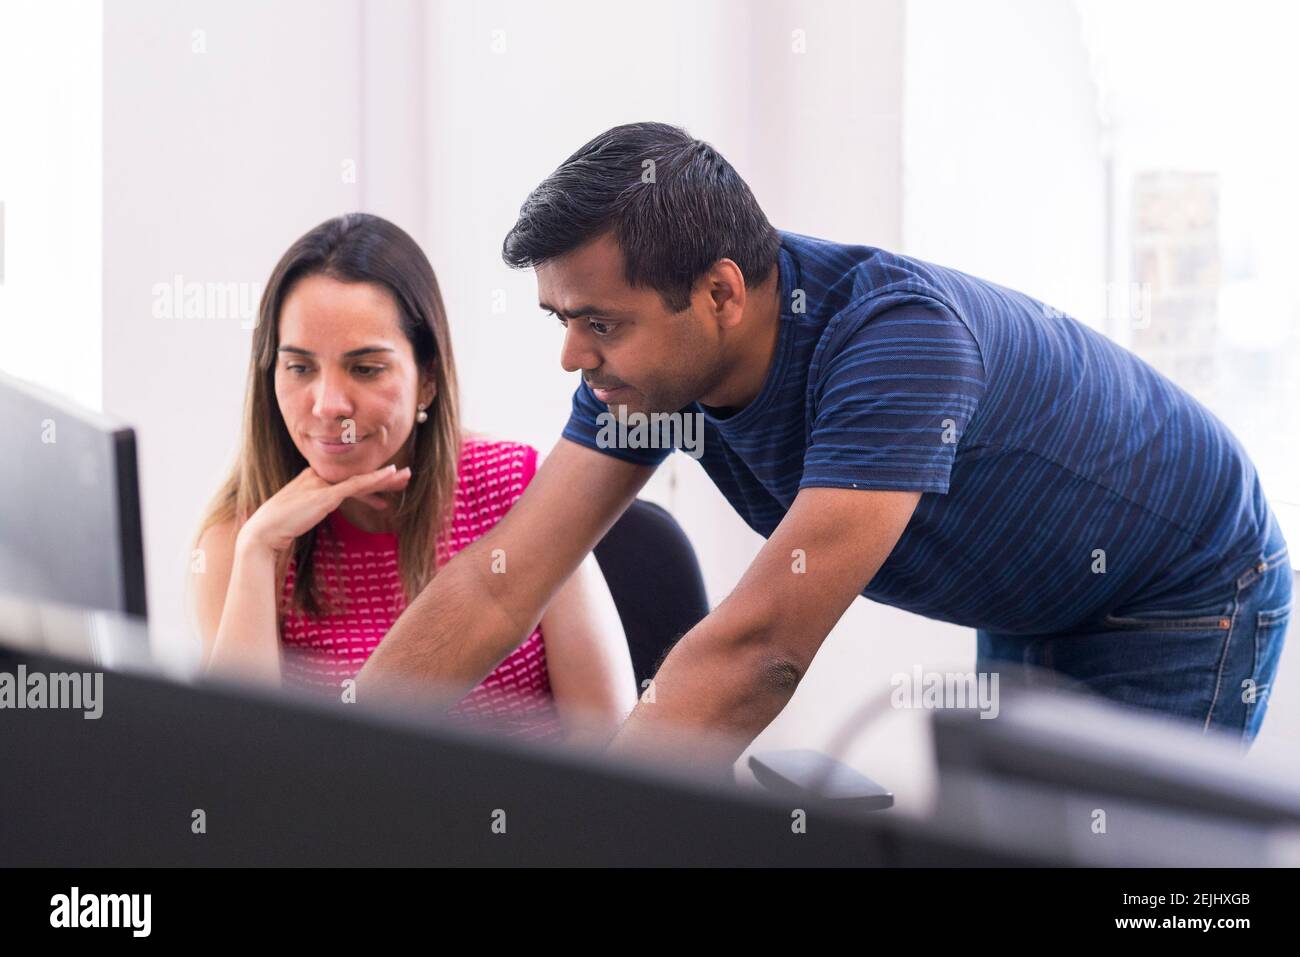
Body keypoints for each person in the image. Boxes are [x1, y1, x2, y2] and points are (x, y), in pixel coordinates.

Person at [352, 122, 1290, 766]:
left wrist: (594, 835)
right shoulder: (638, 371)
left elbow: (759, 649)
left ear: (719, 294)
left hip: (1186, 583)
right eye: (562, 318)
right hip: (1045, 585)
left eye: (597, 320)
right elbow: (500, 580)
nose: (571, 355)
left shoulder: (893, 346)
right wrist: (325, 755)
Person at [189, 212, 636, 745]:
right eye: (300, 368)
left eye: (366, 368)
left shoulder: (517, 490)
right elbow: (241, 773)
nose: (330, 404)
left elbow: (610, 745)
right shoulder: (239, 538)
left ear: (427, 379)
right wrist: (258, 550)